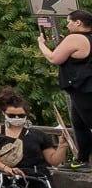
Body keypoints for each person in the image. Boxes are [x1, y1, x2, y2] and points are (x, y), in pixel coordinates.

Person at [38, 9, 92, 170]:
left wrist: (41, 44)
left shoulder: (75, 37)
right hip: (82, 88)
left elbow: (54, 58)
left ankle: (84, 160)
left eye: (69, 21)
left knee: (88, 123)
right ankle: (82, 159)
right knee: (78, 123)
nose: (67, 25)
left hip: (83, 88)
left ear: (78, 23)